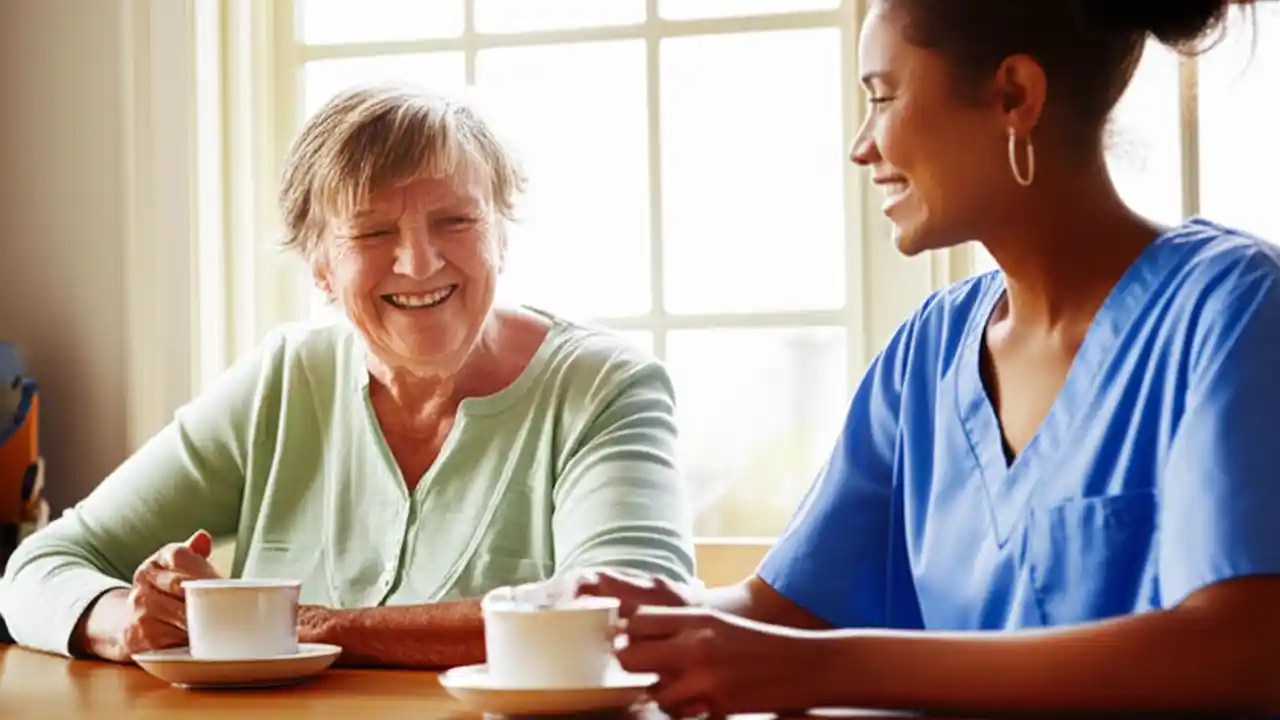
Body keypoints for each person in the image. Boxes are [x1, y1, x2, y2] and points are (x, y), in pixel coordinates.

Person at [577, 0, 1280, 715]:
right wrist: (659, 614)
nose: (862, 146)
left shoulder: (1232, 309)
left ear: (1015, 95)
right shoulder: (930, 350)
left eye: (882, 97)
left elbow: (1243, 648)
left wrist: (818, 670)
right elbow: (787, 612)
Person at [0, 85, 694, 667]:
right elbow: (41, 566)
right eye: (371, 233)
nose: (419, 263)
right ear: (321, 267)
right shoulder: (284, 380)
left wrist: (309, 627)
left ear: (501, 236)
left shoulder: (606, 388)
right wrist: (126, 620)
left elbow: (634, 616)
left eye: (456, 221)